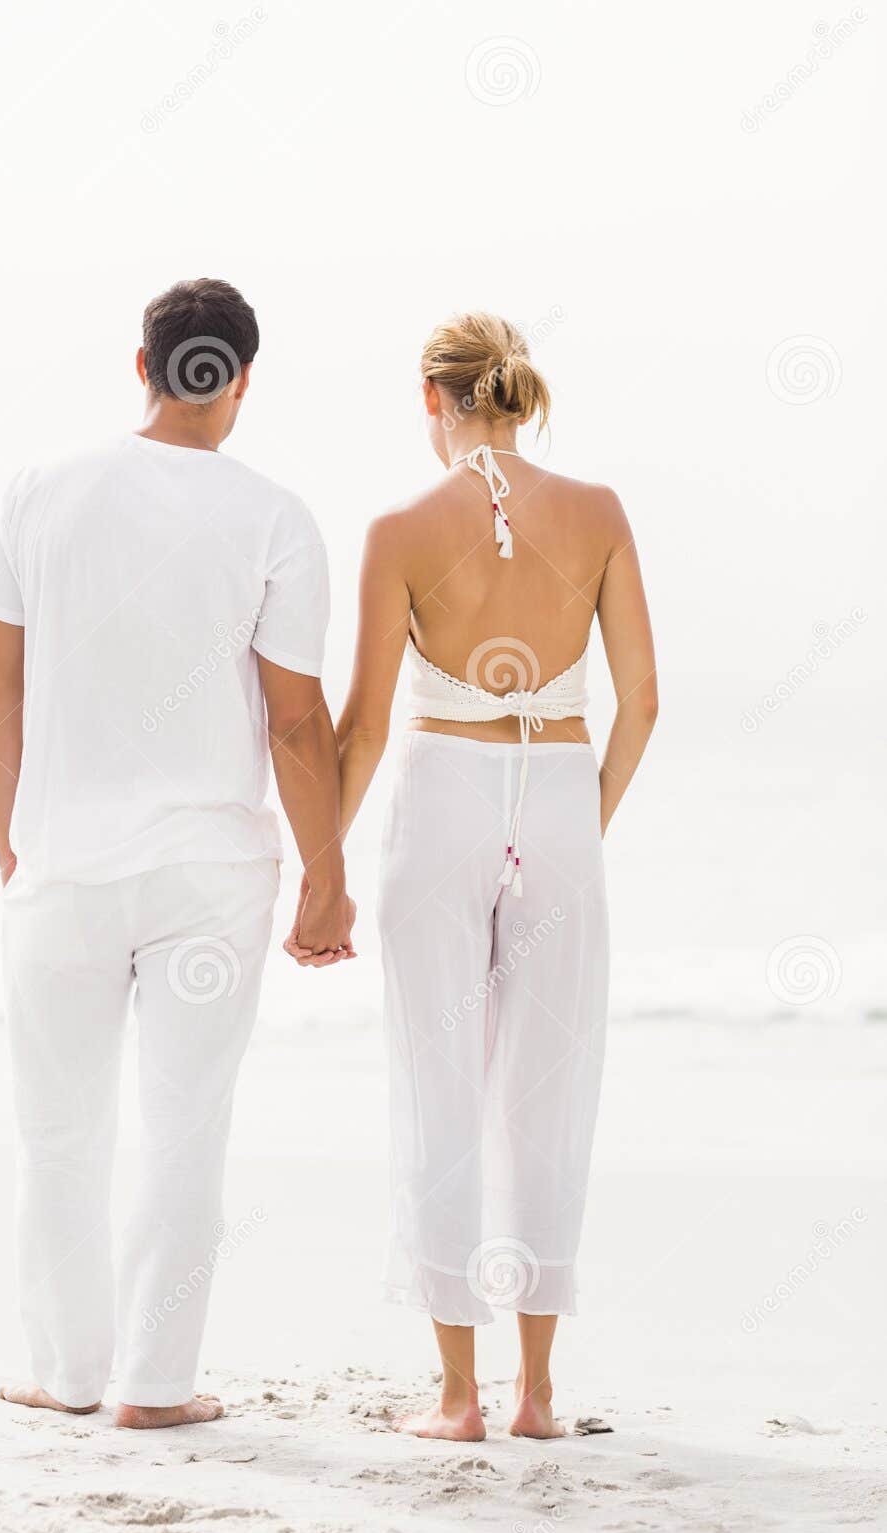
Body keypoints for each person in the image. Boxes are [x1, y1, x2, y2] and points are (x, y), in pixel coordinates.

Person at [0, 278, 354, 1429]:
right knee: (189, 1126)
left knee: (60, 1129)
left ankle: (68, 1372)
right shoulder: (276, 516)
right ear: (237, 380)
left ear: (141, 366)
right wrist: (325, 878)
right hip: (208, 878)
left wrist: (11, 838)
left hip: (63, 873)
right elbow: (295, 722)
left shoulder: (37, 491)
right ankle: (153, 1386)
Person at [323, 311, 657, 1441]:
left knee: (439, 1080)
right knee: (548, 1090)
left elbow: (363, 725)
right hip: (556, 788)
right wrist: (576, 822)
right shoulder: (600, 512)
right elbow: (643, 703)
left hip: (441, 794)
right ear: (515, 394)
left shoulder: (398, 526)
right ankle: (539, 1394)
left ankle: (456, 1396)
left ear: (434, 396)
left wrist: (318, 860)